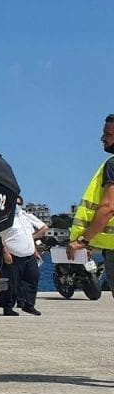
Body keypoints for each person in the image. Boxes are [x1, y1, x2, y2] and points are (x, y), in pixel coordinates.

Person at [67, 113, 114, 297]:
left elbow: (109, 207)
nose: (102, 138)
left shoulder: (112, 165)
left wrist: (83, 241)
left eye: (108, 134)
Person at [0, 196, 48, 316]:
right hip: (13, 256)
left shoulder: (25, 216)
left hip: (29, 255)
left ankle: (29, 304)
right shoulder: (5, 219)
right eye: (15, 203)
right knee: (12, 284)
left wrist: (32, 241)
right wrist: (5, 252)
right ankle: (8, 307)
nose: (17, 206)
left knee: (33, 278)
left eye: (19, 204)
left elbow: (44, 227)